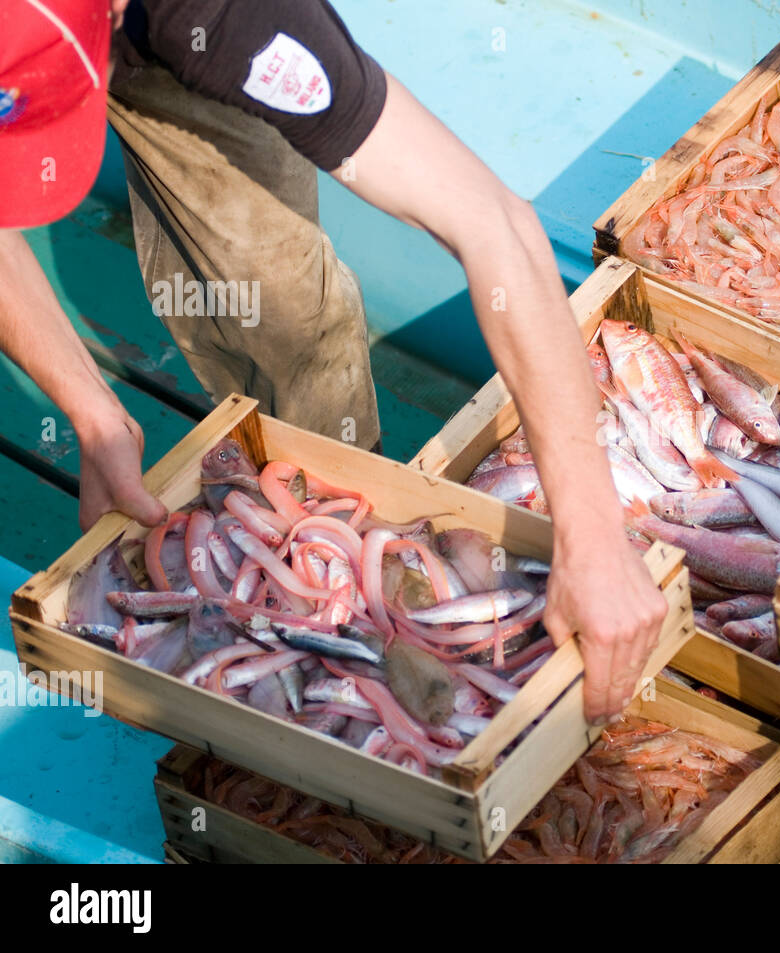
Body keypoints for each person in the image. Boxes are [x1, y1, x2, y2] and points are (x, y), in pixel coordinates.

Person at [0, 0, 666, 724]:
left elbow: (493, 221)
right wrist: (90, 410)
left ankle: (339, 548)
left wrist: (594, 530)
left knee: (276, 296)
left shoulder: (230, 19)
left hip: (173, 31)